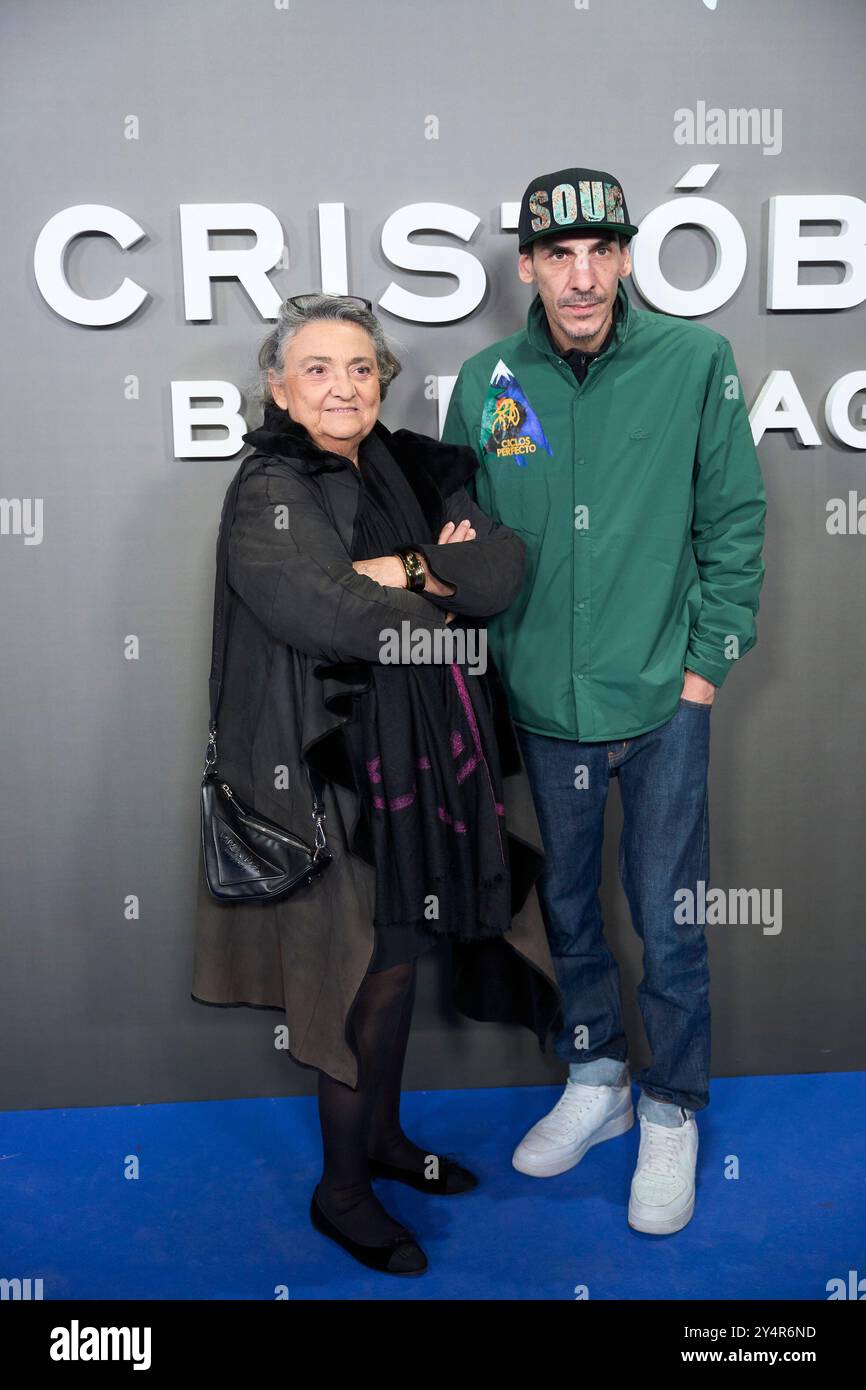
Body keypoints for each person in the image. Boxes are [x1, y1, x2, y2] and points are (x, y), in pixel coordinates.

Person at [191, 293, 561, 1275]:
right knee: (351, 973)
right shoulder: (266, 487)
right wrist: (426, 572)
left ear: (382, 380)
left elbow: (497, 574)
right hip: (333, 774)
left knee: (396, 960)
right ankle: (340, 1188)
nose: (341, 386)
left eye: (359, 367)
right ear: (277, 386)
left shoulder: (413, 463)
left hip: (431, 756)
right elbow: (329, 613)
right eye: (315, 368)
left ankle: (384, 1144)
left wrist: (396, 567)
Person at [442, 167, 767, 1235]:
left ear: (624, 258)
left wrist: (703, 666)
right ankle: (597, 1078)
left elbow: (730, 522)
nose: (579, 277)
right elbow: (471, 541)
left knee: (669, 923)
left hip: (661, 697)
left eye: (599, 252)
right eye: (556, 255)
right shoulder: (486, 378)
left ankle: (670, 1107)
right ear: (527, 266)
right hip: (542, 702)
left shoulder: (695, 360)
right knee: (571, 909)